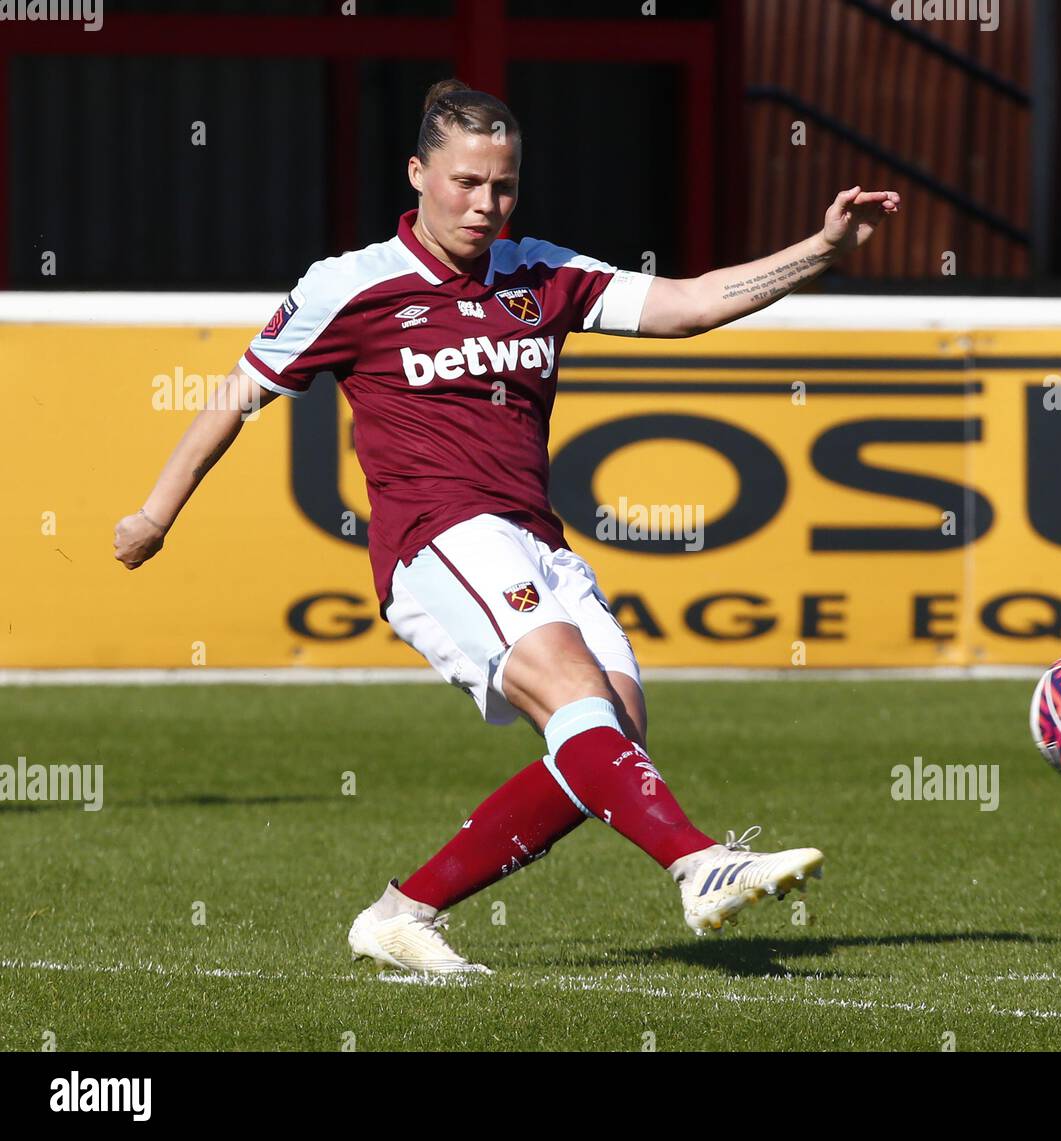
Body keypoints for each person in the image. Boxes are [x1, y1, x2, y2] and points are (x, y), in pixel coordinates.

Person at [114, 79, 901, 975]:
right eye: (465, 183)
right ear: (417, 174)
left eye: (504, 186)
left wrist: (824, 250)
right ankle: (699, 863)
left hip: (535, 537)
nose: (486, 204)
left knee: (612, 737)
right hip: (437, 539)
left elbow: (690, 305)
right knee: (579, 702)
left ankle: (402, 911)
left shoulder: (539, 271)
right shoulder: (352, 285)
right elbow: (238, 393)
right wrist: (154, 512)